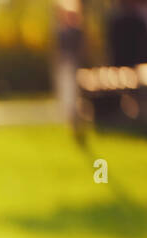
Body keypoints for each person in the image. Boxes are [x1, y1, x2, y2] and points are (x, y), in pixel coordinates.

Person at [55, 0, 85, 140]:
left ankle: (77, 121)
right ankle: (72, 122)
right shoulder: (61, 31)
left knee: (76, 96)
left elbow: (81, 51)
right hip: (66, 66)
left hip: (76, 67)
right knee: (68, 96)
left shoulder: (78, 31)